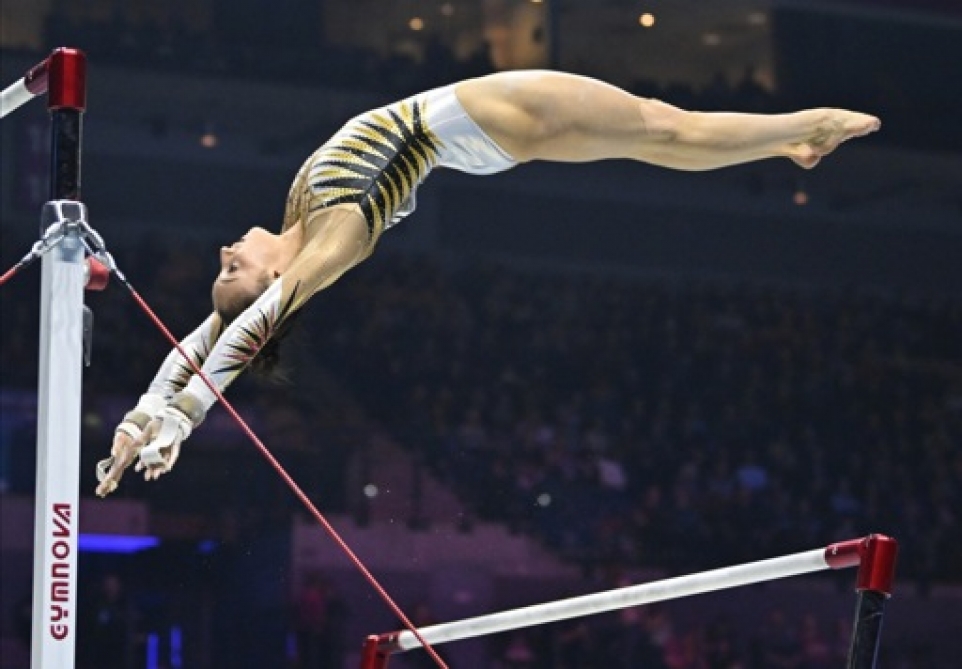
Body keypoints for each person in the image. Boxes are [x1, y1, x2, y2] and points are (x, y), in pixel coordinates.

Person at [95, 69, 880, 496]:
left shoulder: (299, 215)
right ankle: (800, 131)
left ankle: (789, 146)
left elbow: (203, 335)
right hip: (481, 116)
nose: (225, 249)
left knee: (660, 135)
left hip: (471, 137)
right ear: (272, 277)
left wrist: (144, 414)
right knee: (660, 127)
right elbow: (246, 329)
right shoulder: (337, 234)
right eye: (232, 267)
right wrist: (191, 414)